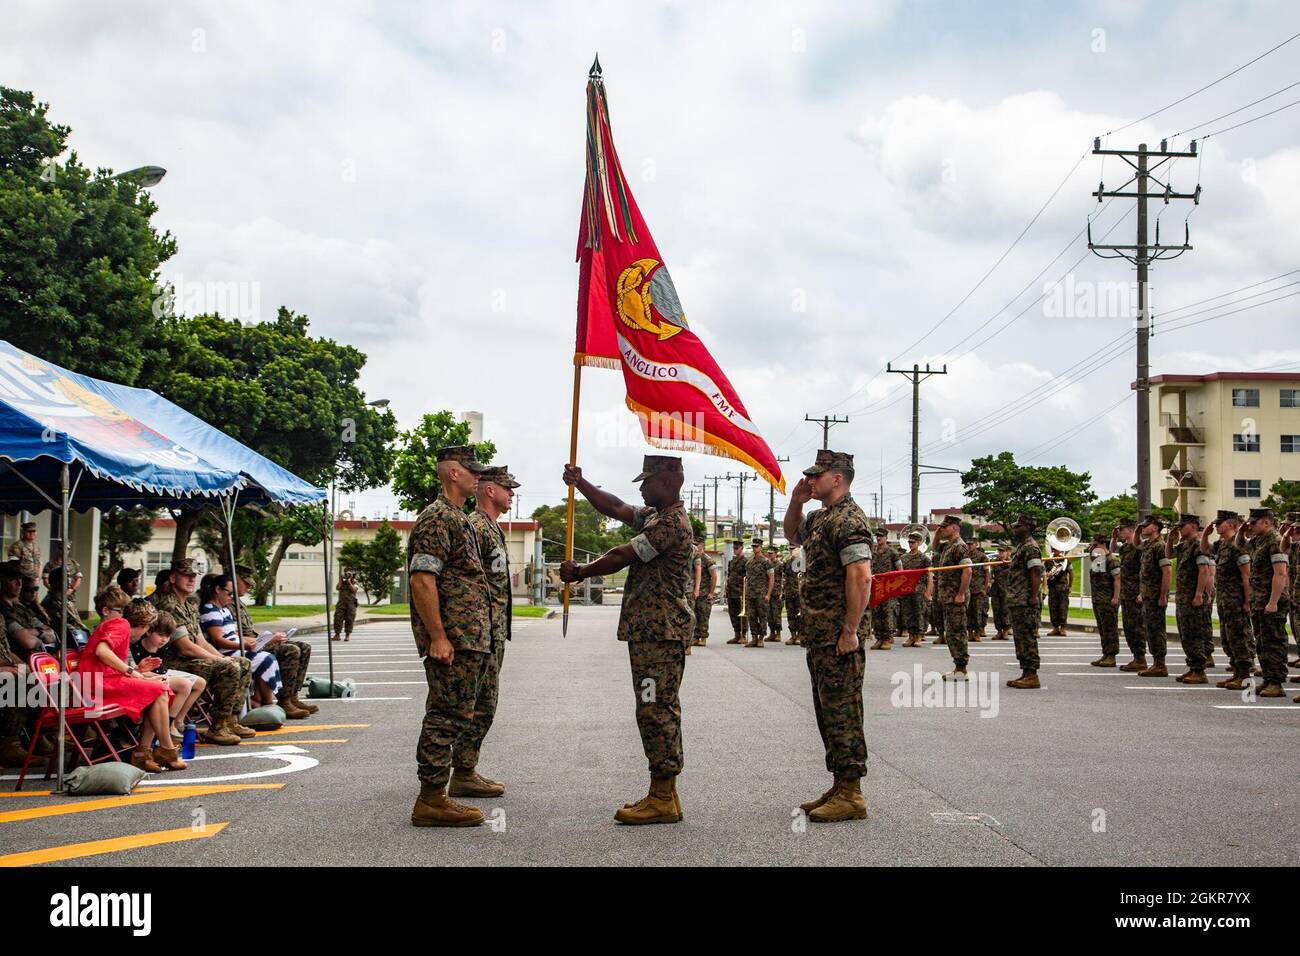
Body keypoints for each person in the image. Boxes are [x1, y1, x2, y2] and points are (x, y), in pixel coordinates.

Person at [561, 454, 694, 825]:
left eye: (647, 480)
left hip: (660, 635)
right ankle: (664, 794)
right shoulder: (655, 516)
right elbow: (616, 507)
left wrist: (581, 572)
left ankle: (663, 797)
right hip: (651, 634)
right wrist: (581, 483)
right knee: (652, 708)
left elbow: (623, 555)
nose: (641, 487)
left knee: (657, 709)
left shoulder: (671, 524)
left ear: (669, 480)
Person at [783, 449, 870, 823]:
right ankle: (839, 784)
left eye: (817, 476)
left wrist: (850, 630)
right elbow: (791, 534)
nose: (810, 481)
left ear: (837, 478)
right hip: (820, 632)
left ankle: (852, 792)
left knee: (843, 710)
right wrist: (795, 502)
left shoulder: (850, 520)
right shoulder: (820, 517)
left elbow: (861, 576)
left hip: (838, 634)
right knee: (826, 710)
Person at [409, 445, 494, 827]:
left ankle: (439, 793)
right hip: (454, 640)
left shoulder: (457, 518)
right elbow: (422, 579)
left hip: (469, 638)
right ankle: (430, 799)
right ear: (452, 473)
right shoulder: (437, 518)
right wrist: (438, 637)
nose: (478, 476)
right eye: (471, 470)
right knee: (445, 715)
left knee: (458, 714)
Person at [452, 464, 518, 799]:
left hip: (491, 632)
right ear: (490, 490)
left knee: (483, 703)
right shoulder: (477, 526)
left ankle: (466, 768)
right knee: (478, 703)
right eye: (508, 488)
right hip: (480, 632)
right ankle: (461, 772)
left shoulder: (492, 528)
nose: (512, 494)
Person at [153, 558, 256, 746]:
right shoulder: (169, 605)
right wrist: (223, 661)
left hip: (189, 659)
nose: (191, 580)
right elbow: (185, 647)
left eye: (193, 576)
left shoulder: (188, 605)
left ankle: (230, 720)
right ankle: (217, 726)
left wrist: (222, 657)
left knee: (242, 662)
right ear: (173, 578)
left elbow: (200, 641)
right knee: (229, 668)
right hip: (173, 662)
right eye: (186, 576)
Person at [82, 588, 185, 773]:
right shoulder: (121, 625)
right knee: (158, 690)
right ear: (146, 626)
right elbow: (102, 651)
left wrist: (138, 670)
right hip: (97, 685)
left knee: (158, 689)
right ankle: (163, 750)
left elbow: (105, 661)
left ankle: (148, 752)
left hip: (98, 681)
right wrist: (130, 670)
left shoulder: (116, 625)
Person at [232, 564, 316, 717]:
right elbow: (235, 635)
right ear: (234, 580)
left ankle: (292, 696)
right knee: (291, 650)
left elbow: (248, 630)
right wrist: (269, 640)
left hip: (254, 643)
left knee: (304, 647)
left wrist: (271, 638)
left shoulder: (238, 603)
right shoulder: (228, 603)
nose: (249, 587)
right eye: (245, 583)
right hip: (245, 647)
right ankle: (284, 700)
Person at [199, 574, 283, 709]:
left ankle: (258, 699)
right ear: (218, 590)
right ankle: (266, 703)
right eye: (230, 593)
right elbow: (218, 639)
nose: (232, 597)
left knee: (266, 656)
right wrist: (242, 645)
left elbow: (236, 634)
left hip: (236, 648)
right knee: (266, 659)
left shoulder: (225, 610)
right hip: (225, 652)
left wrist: (262, 640)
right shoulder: (210, 610)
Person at [133, 610, 207, 739]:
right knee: (185, 685)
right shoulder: (136, 648)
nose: (164, 640)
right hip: (147, 675)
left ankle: (178, 720)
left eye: (167, 636)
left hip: (163, 672)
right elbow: (137, 670)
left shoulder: (163, 646)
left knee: (201, 683)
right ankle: (168, 725)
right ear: (149, 631)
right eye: (161, 635)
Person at [1203, 510, 1256, 690]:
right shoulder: (1222, 545)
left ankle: (1244, 675)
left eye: (1220, 523)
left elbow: (1246, 574)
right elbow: (1204, 550)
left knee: (1239, 637)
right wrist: (1205, 534)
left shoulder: (1238, 546)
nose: (1217, 526)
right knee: (1228, 638)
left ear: (1232, 525)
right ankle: (1236, 672)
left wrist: (1247, 601)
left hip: (1236, 599)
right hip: (1225, 600)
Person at [1243, 508, 1292, 699]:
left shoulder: (1275, 542)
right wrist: (1243, 529)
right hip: (1259, 600)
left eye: (1254, 523)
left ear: (1266, 522)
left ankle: (1276, 682)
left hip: (1272, 601)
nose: (1250, 526)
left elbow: (1280, 573)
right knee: (1262, 642)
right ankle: (1268, 677)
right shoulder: (1258, 541)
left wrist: (1273, 602)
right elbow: (1240, 544)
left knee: (1274, 641)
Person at [1167, 515, 1214, 684]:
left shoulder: (1197, 545)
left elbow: (1204, 571)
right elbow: (1169, 554)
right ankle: (1193, 668)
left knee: (1194, 633)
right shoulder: (1184, 545)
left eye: (1182, 526)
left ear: (1193, 526)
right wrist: (1170, 539)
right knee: (1185, 634)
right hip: (1183, 597)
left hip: (1193, 597)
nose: (1179, 528)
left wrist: (1199, 594)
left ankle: (1199, 670)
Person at [1005, 514, 1045, 689]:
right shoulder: (1022, 546)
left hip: (1025, 600)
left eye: (1018, 526)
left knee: (1027, 637)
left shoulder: (1031, 547)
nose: (1015, 528)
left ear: (1028, 527)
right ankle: (1026, 672)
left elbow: (1036, 572)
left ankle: (1031, 675)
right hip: (1018, 599)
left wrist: (1034, 596)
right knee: (1021, 638)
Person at [1135, 516, 1171, 677]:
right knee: (1150, 629)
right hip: (1148, 595)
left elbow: (1167, 572)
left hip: (1156, 596)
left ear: (1155, 527)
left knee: (1156, 630)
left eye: (1146, 526)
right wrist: (1137, 531)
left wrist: (1163, 595)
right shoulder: (1148, 545)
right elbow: (1136, 544)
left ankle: (1160, 664)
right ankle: (1156, 663)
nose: (1143, 528)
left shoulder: (1160, 546)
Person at [1112, 518, 1147, 671]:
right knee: (1128, 627)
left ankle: (1140, 658)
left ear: (1131, 529)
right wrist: (1113, 538)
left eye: (1122, 529)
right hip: (1126, 591)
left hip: (1135, 591)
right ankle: (1136, 657)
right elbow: (1113, 549)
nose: (1120, 532)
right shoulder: (1125, 547)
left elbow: (1143, 570)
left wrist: (1141, 592)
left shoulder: (1139, 546)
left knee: (1137, 626)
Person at [1, 563, 56, 658]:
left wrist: (34, 632)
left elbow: (52, 634)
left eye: (20, 578)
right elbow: (27, 641)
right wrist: (41, 634)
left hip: (37, 660)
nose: (19, 583)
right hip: (18, 663)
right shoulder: (3, 609)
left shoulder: (21, 608)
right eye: (12, 579)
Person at [1087, 536, 1121, 667]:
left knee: (1109, 629)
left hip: (1108, 599)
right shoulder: (1099, 560)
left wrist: (1116, 597)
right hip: (1098, 599)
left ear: (1103, 545)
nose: (1093, 547)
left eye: (1095, 545)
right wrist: (1092, 550)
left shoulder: (1112, 560)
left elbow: (1117, 579)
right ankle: (1106, 654)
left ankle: (1111, 656)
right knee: (1102, 629)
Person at [897, 531, 931, 647]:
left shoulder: (924, 558)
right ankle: (911, 636)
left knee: (919, 612)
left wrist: (928, 591)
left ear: (919, 543)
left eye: (913, 542)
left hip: (919, 589)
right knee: (908, 612)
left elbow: (929, 575)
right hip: (907, 589)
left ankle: (919, 636)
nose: (911, 544)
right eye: (909, 542)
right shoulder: (903, 557)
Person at [41, 566, 88, 648]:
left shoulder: (66, 600)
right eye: (66, 577)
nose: (69, 580)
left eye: (69, 577)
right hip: (63, 642)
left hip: (77, 638)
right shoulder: (50, 602)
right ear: (57, 581)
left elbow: (77, 621)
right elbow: (61, 626)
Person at [869, 528, 900, 649]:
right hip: (876, 586)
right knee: (876, 612)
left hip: (888, 587)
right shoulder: (873, 552)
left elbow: (899, 569)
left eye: (881, 536)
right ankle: (879, 638)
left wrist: (896, 586)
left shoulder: (892, 552)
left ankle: (887, 638)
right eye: (877, 536)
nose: (878, 538)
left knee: (887, 612)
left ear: (886, 538)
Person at [743, 538, 774, 648]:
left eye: (756, 546)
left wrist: (768, 594)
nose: (754, 548)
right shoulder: (749, 562)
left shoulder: (766, 561)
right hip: (751, 593)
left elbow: (771, 578)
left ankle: (761, 638)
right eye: (753, 546)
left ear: (761, 547)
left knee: (762, 616)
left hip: (761, 593)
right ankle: (754, 637)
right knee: (752, 616)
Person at [691, 534, 718, 647]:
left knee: (703, 616)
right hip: (694, 592)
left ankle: (703, 637)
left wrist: (711, 592)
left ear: (702, 546)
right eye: (694, 544)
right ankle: (696, 637)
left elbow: (714, 576)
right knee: (694, 615)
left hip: (704, 593)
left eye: (697, 545)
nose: (695, 547)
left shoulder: (707, 559)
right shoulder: (693, 557)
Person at [966, 539, 990, 641]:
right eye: (968, 544)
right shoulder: (965, 556)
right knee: (968, 612)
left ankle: (977, 633)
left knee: (977, 612)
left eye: (971, 544)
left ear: (976, 545)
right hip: (967, 588)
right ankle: (970, 632)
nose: (969, 546)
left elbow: (987, 572)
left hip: (978, 588)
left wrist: (985, 586)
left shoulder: (982, 556)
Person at [724, 539, 748, 644]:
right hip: (731, 591)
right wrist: (726, 589)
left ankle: (743, 635)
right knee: (733, 614)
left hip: (740, 591)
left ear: (742, 548)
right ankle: (736, 634)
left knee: (741, 614)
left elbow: (747, 577)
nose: (735, 550)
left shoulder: (746, 562)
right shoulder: (732, 562)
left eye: (737, 548)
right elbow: (729, 576)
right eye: (734, 548)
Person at [1046, 548, 1073, 635]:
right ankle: (1055, 628)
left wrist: (1070, 585)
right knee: (1052, 607)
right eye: (1054, 549)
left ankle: (1063, 628)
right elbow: (1044, 573)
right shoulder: (1048, 561)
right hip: (1052, 588)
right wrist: (1047, 575)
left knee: (1063, 607)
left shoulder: (1065, 561)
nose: (1055, 551)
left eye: (1057, 549)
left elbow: (1071, 573)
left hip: (1062, 587)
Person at [782, 545, 804, 645]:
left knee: (799, 614)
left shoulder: (802, 562)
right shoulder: (787, 562)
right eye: (790, 549)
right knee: (790, 614)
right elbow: (784, 576)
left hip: (799, 591)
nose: (792, 551)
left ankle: (800, 635)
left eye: (794, 549)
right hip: (789, 591)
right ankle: (793, 635)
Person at [989, 545, 1010, 640]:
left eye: (1003, 552)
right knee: (996, 611)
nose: (1001, 554)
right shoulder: (995, 562)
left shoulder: (1011, 563)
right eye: (1000, 552)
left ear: (1007, 552)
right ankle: (999, 631)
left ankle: (1006, 631)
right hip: (996, 590)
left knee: (1006, 611)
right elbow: (991, 575)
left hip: (1007, 590)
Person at [333, 570, 359, 642]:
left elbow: (354, 590)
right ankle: (337, 635)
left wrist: (349, 582)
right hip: (341, 604)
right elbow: (338, 588)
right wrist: (341, 580)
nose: (347, 575)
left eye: (349, 574)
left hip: (351, 604)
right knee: (337, 618)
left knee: (350, 619)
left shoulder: (354, 582)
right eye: (346, 574)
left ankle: (347, 635)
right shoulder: (342, 582)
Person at [767, 545, 786, 641]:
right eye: (769, 553)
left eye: (771, 553)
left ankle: (778, 633)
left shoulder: (780, 564)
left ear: (775, 554)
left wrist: (782, 592)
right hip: (768, 592)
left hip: (777, 591)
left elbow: (783, 578)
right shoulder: (767, 564)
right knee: (769, 614)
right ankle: (772, 633)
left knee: (776, 614)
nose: (770, 555)